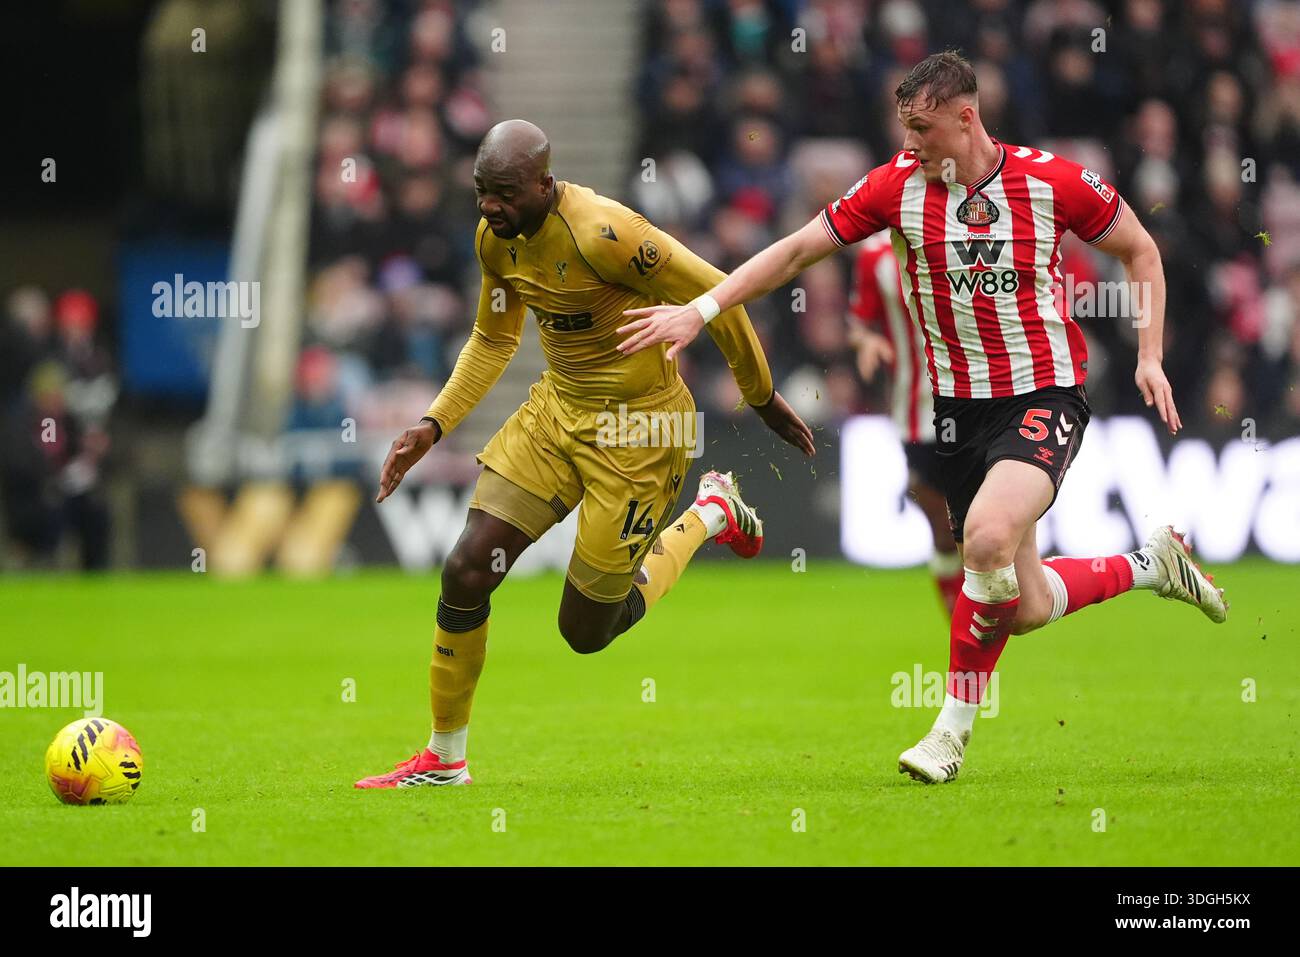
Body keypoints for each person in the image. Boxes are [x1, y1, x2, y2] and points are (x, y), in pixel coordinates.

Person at [617, 52, 1227, 784]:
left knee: (988, 537)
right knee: (1024, 604)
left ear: (965, 118)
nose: (907, 142)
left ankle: (949, 732)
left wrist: (1148, 354)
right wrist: (704, 307)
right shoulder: (895, 189)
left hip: (1043, 396)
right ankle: (1150, 563)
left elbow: (1141, 250)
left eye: (921, 127)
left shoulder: (1051, 180)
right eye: (902, 127)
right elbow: (797, 252)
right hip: (958, 417)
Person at [355, 120, 814, 788]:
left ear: (545, 182)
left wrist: (761, 395)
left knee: (586, 630)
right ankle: (445, 758)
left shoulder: (607, 233)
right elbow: (492, 338)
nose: (490, 206)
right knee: (466, 567)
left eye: (505, 193)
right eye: (483, 191)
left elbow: (719, 292)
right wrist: (434, 423)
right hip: (558, 414)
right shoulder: (497, 239)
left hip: (641, 436)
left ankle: (711, 510)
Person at [847, 229, 962, 613]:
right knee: (945, 530)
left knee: (982, 528)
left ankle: (991, 616)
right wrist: (866, 341)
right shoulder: (875, 254)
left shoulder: (969, 231)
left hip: (979, 403)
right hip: (915, 411)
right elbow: (859, 320)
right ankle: (962, 631)